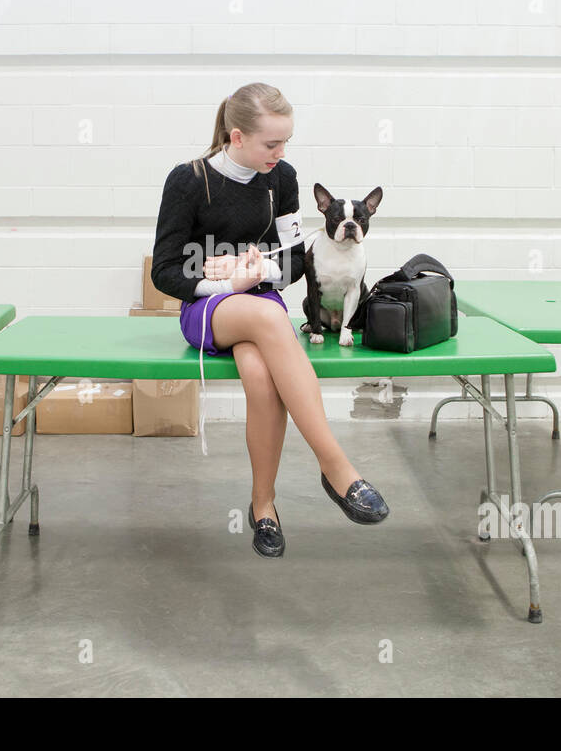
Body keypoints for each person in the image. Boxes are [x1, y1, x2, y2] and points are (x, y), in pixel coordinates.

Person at [150, 82, 390, 559]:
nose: (280, 153)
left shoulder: (282, 179)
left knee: (261, 377)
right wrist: (226, 285)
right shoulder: (188, 180)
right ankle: (335, 466)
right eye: (271, 144)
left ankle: (264, 507)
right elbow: (164, 270)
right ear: (236, 137)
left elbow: (297, 262)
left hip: (264, 309)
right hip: (207, 309)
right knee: (264, 314)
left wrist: (265, 272)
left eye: (286, 143)